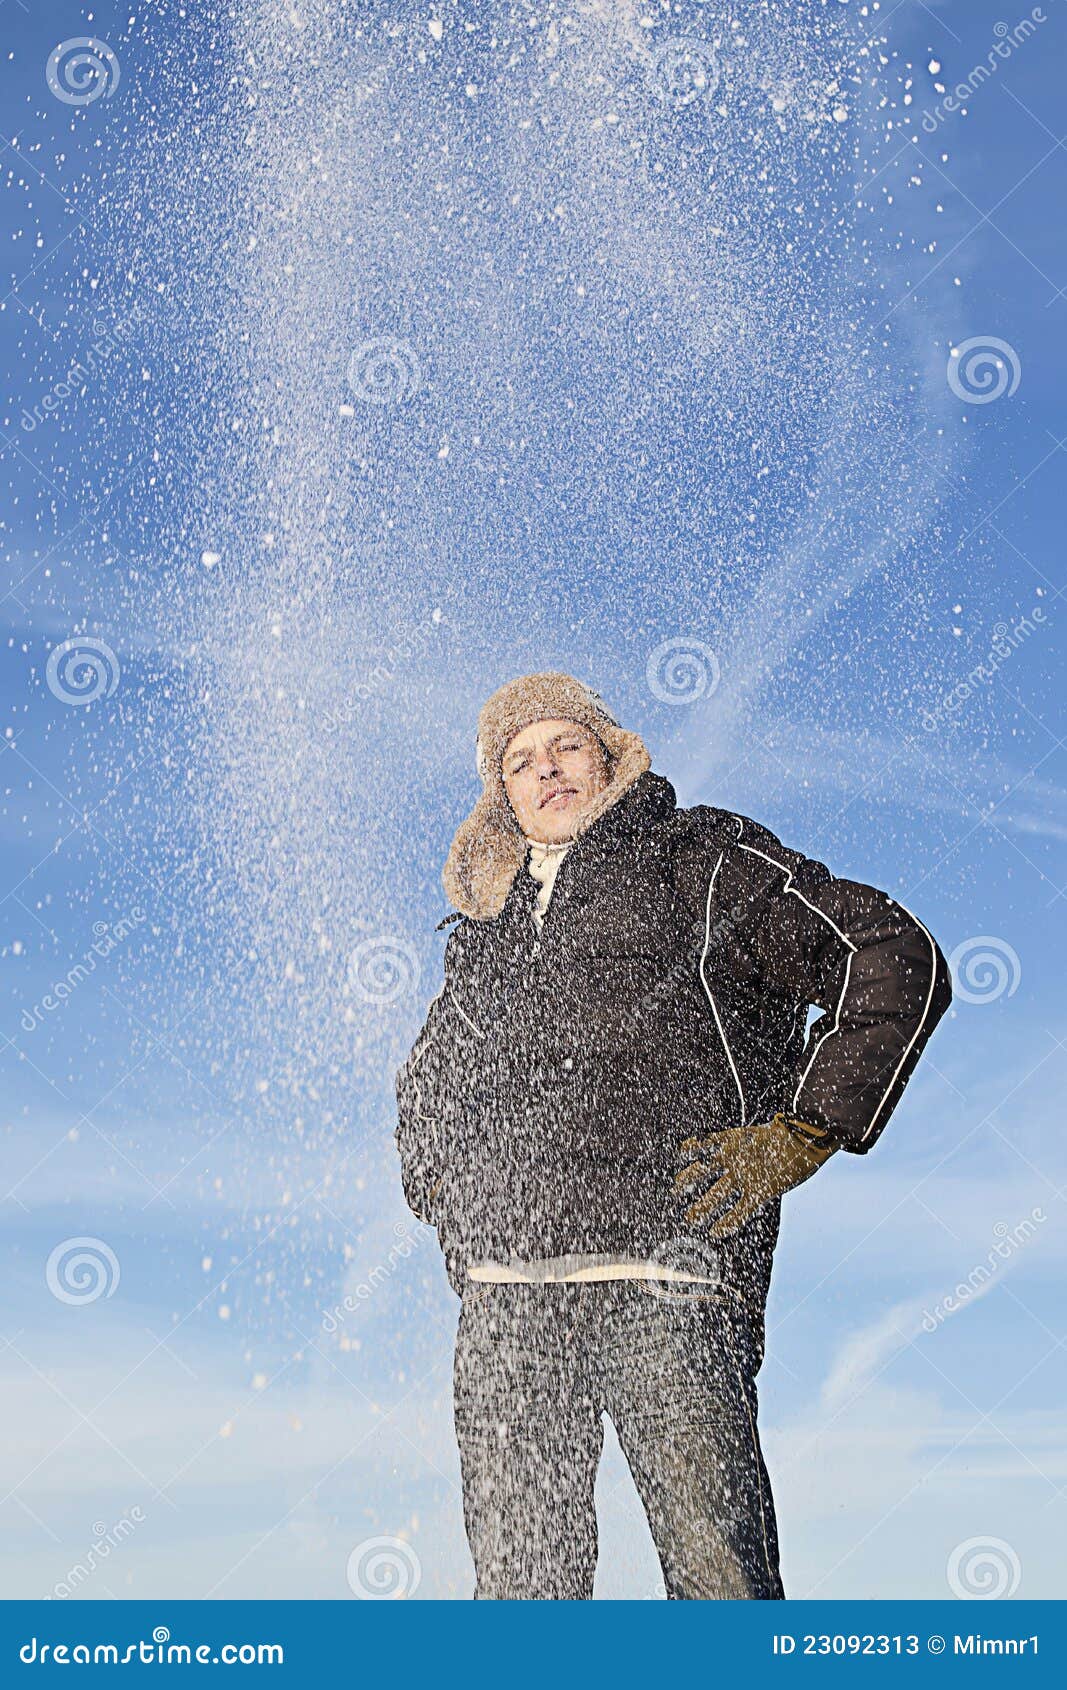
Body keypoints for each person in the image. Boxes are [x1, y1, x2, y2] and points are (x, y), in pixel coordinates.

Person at [395, 671, 951, 1600]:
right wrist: (450, 1197)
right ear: (503, 798)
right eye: (520, 762)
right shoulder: (485, 929)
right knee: (520, 1596)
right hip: (505, 1300)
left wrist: (804, 1131)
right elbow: (427, 1088)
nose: (546, 770)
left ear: (612, 758)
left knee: (716, 1577)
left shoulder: (698, 861)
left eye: (565, 745)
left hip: (671, 1273)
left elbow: (892, 956)